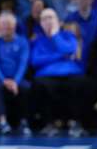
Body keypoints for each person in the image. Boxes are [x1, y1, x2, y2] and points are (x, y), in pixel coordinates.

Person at [30, 8, 86, 137]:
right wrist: (60, 56)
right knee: (40, 85)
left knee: (81, 83)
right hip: (46, 75)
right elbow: (35, 61)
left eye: (51, 18)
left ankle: (75, 122)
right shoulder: (38, 40)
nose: (48, 21)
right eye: (44, 19)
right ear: (40, 23)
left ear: (58, 22)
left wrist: (55, 35)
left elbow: (69, 49)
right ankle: (49, 124)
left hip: (70, 73)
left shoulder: (68, 35)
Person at [0, 12, 32, 135]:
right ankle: (3, 122)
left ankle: (24, 122)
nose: (6, 28)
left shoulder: (23, 42)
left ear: (14, 26)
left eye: (9, 25)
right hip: (1, 78)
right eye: (3, 25)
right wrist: (4, 80)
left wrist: (15, 81)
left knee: (26, 87)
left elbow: (23, 63)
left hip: (18, 78)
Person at [64, 0, 97, 67]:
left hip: (96, 58)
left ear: (91, 0)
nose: (82, 1)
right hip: (77, 60)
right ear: (76, 0)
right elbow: (67, 40)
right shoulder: (70, 19)